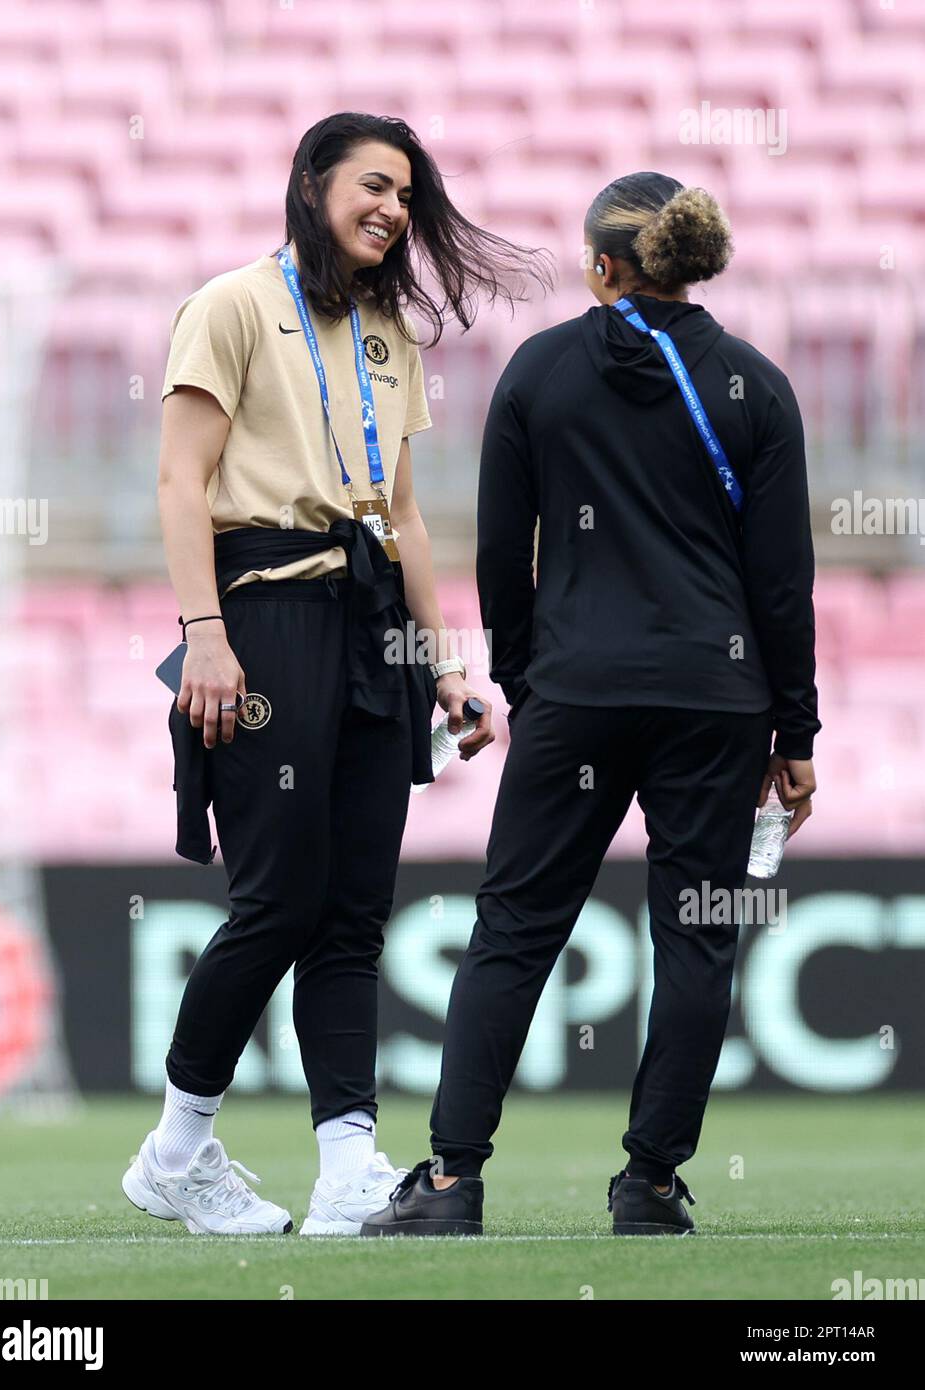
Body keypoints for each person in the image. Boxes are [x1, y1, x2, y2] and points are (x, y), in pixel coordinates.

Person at [361, 171, 820, 1239]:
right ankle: (651, 1185)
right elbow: (782, 583)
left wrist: (531, 680)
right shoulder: (756, 384)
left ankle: (450, 1181)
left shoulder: (539, 373)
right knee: (698, 938)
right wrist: (791, 730)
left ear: (603, 264)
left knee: (513, 930)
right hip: (717, 699)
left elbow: (498, 556)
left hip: (576, 693)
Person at [121, 112, 552, 1236]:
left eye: (407, 194)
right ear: (311, 184)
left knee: (356, 908)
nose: (395, 210)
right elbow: (180, 482)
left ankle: (345, 1167)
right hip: (262, 610)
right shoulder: (227, 307)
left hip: (370, 623)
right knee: (278, 898)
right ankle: (177, 1148)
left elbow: (401, 512)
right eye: (375, 184)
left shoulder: (383, 330)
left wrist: (446, 666)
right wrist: (204, 632)